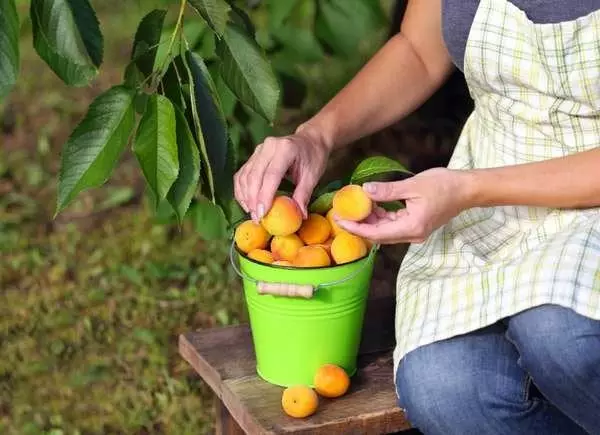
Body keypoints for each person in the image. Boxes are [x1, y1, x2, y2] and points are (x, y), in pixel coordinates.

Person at [233, 0, 600, 433]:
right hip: (488, 194)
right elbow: (419, 50)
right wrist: (316, 135)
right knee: (441, 389)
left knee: (559, 337)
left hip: (569, 192)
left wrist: (467, 189)